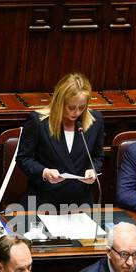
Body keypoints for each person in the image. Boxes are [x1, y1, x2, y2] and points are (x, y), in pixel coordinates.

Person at [15, 72, 103, 209]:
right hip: (44, 200)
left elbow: (98, 157)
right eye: (71, 107)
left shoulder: (95, 121)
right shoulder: (38, 122)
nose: (77, 112)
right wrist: (44, 172)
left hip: (79, 202)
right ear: (60, 102)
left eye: (82, 107)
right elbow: (23, 158)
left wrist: (93, 170)